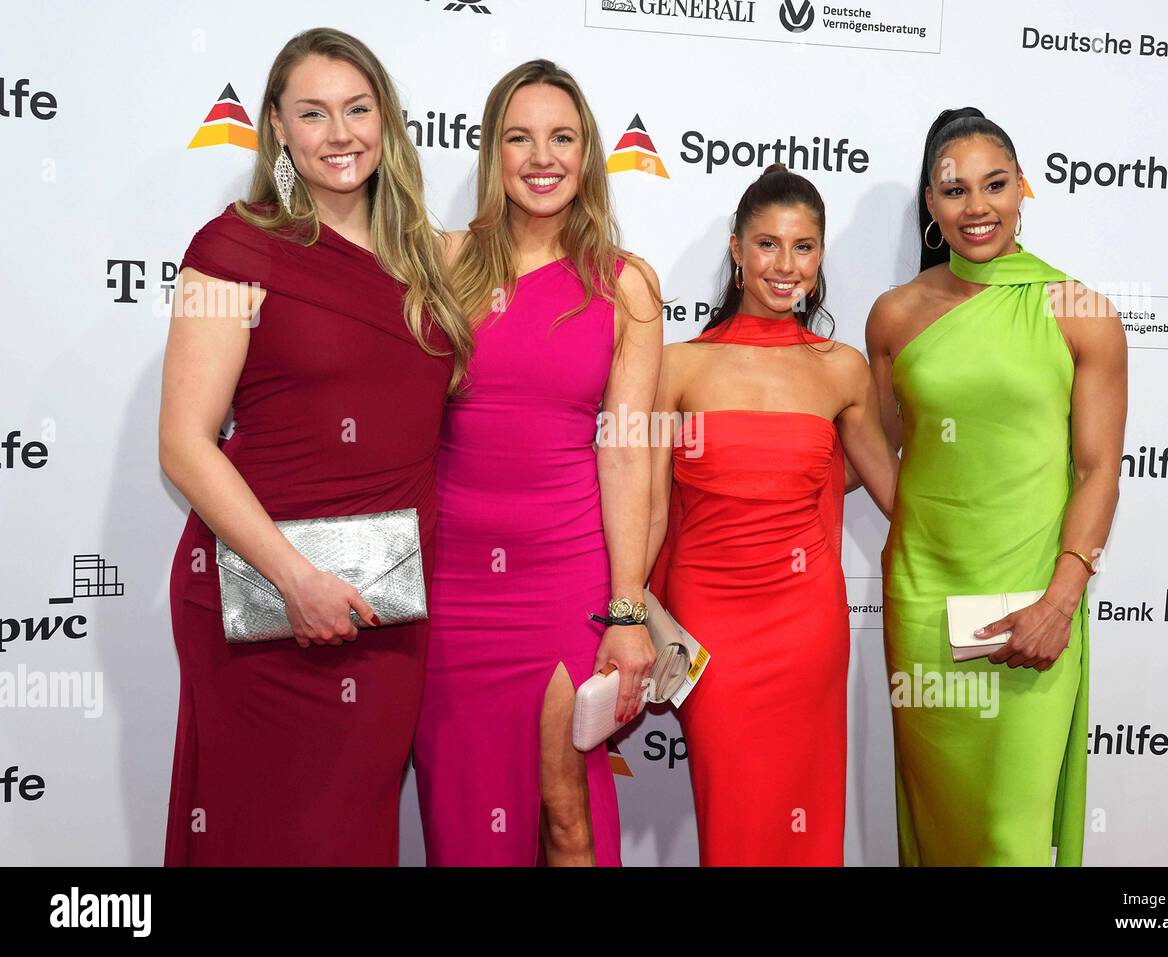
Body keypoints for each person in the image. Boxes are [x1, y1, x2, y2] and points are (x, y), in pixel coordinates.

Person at [159, 28, 471, 865]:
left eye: (358, 109)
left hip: (385, 605)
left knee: (351, 834)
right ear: (278, 129)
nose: (341, 133)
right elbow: (186, 445)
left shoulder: (429, 264)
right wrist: (294, 580)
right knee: (265, 834)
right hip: (265, 604)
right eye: (314, 113)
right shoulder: (233, 249)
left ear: (387, 120)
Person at [411, 59, 663, 867]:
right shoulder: (441, 263)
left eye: (562, 137)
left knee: (567, 817)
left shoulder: (626, 287)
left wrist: (627, 609)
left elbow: (627, 452)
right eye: (519, 137)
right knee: (465, 820)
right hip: (449, 587)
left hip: (564, 579)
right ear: (492, 152)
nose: (541, 156)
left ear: (587, 153)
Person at [865, 107, 1127, 866]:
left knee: (1010, 841)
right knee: (944, 831)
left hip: (1034, 604)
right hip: (924, 602)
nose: (976, 207)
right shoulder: (895, 315)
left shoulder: (1079, 310)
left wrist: (1060, 601)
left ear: (1024, 190)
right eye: (954, 191)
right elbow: (878, 449)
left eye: (995, 185)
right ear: (929, 203)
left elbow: (1099, 470)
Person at [646, 164, 897, 866]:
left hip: (806, 627)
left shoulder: (839, 368)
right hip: (710, 625)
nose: (785, 266)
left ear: (820, 257)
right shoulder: (678, 365)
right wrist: (631, 604)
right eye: (767, 244)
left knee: (805, 819)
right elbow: (643, 503)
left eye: (804, 247)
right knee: (732, 815)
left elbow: (895, 492)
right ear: (735, 249)